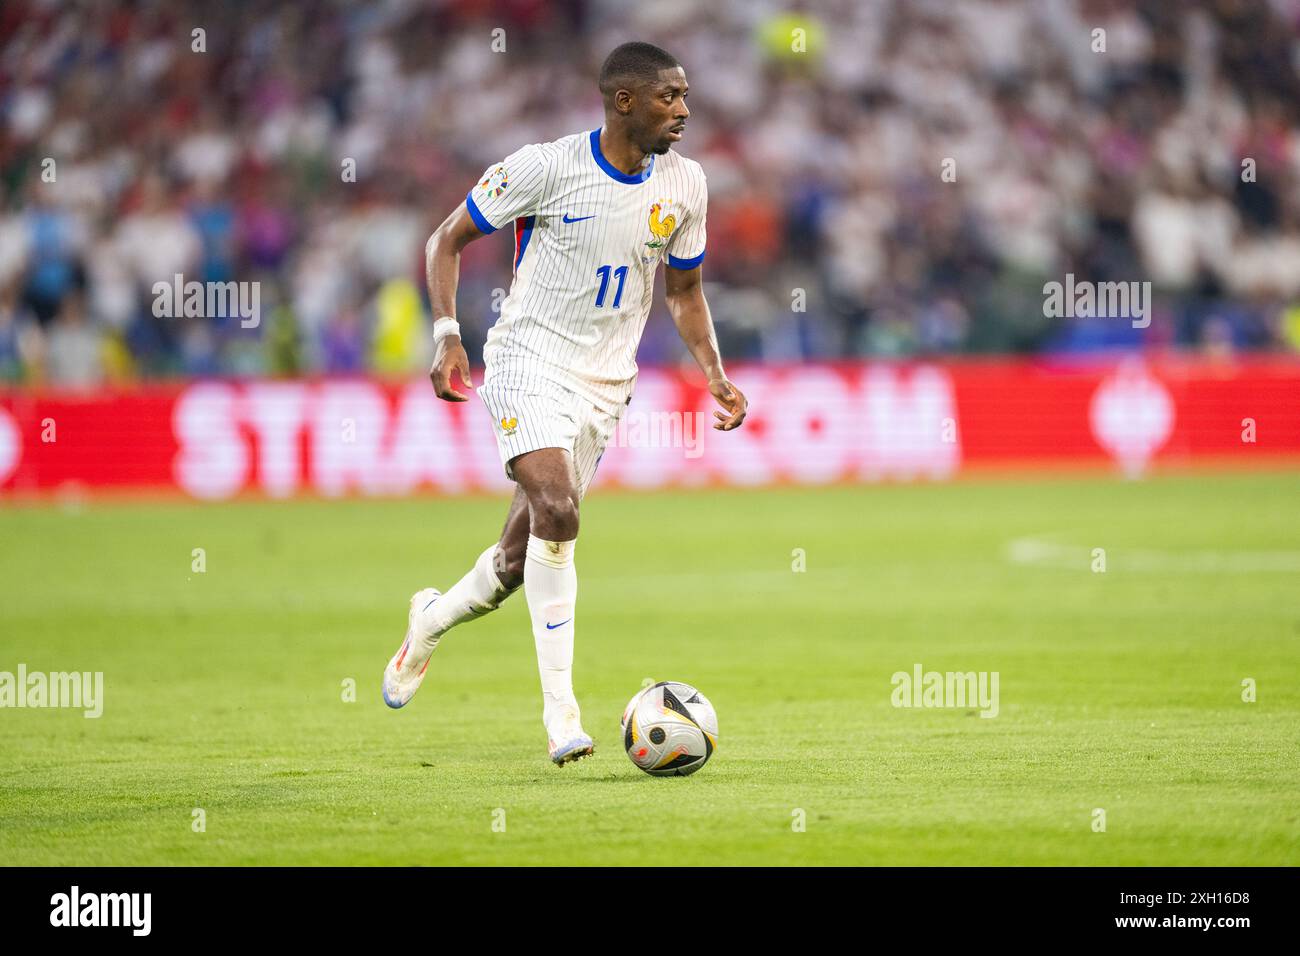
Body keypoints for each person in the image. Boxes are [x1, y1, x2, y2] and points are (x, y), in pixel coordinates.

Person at [382, 41, 748, 764]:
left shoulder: (687, 185)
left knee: (519, 561)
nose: (684, 110)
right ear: (624, 101)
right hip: (527, 361)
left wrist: (713, 370)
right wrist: (448, 334)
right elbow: (445, 239)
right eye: (669, 97)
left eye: (685, 96)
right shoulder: (546, 168)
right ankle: (562, 715)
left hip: (606, 385)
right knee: (559, 508)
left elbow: (683, 290)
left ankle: (429, 621)